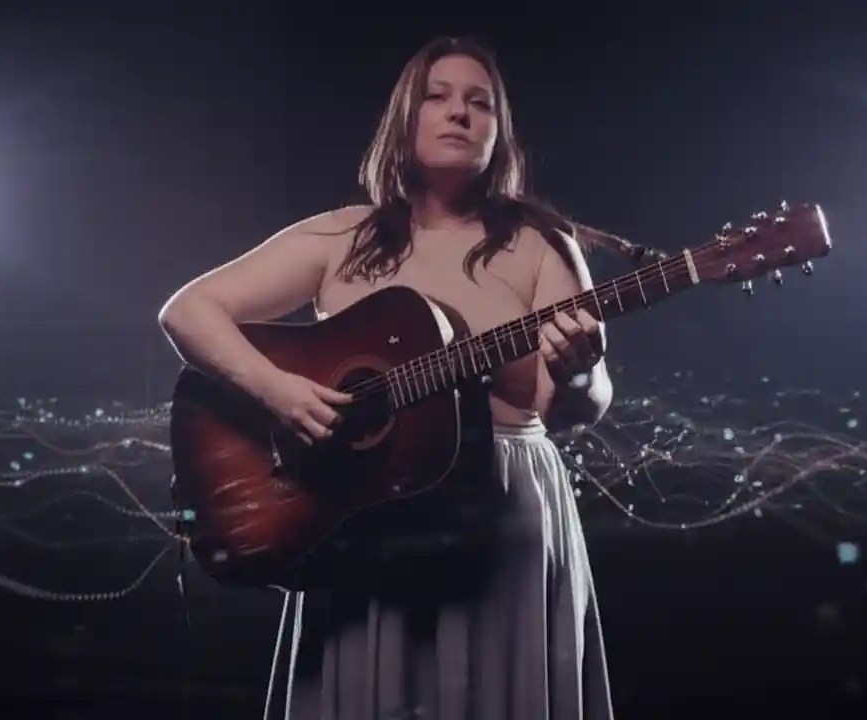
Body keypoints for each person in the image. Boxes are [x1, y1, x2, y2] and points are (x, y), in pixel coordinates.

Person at [158, 35, 616, 719]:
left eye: (480, 103)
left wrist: (580, 373)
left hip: (502, 508)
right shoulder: (343, 236)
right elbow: (188, 312)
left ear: (499, 131)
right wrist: (278, 391)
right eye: (438, 96)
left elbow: (574, 406)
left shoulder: (542, 243)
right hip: (361, 509)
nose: (459, 112)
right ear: (405, 115)